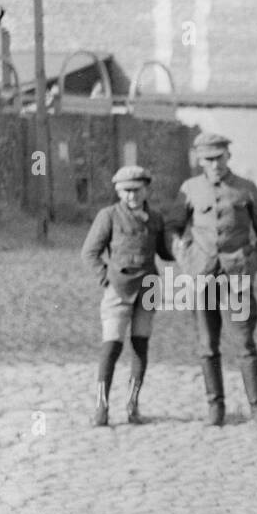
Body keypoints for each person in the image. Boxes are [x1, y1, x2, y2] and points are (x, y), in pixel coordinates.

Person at [167, 132, 257, 429]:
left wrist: (252, 263)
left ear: (229, 156)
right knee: (207, 345)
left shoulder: (246, 189)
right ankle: (215, 407)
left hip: (236, 280)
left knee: (244, 343)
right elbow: (174, 229)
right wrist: (187, 261)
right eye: (208, 159)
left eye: (219, 158)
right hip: (202, 279)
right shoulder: (189, 189)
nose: (215, 164)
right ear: (200, 161)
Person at [81, 165, 173, 427]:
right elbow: (90, 252)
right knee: (111, 347)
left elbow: (165, 253)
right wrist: (106, 279)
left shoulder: (155, 218)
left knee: (140, 347)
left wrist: (180, 242)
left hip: (148, 289)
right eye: (126, 191)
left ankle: (133, 405)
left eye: (137, 190)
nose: (132, 196)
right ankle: (101, 407)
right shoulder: (108, 216)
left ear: (146, 189)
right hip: (118, 290)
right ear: (118, 192)